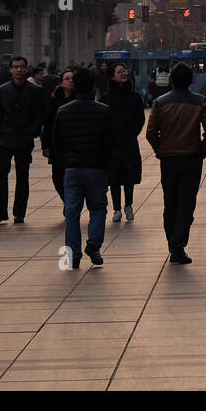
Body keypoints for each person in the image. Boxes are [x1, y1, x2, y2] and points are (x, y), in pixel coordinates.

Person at [145, 62, 206, 264]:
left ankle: (173, 243)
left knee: (170, 203)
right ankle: (178, 245)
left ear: (171, 80)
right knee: (186, 204)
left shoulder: (159, 102)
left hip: (168, 160)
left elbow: (150, 133)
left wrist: (160, 150)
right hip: (192, 158)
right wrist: (203, 149)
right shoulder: (201, 102)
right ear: (191, 80)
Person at [51, 66, 112, 269]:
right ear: (94, 86)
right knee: (98, 208)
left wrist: (65, 162)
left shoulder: (62, 111)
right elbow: (109, 143)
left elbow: (56, 143)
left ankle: (73, 256)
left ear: (75, 86)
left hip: (72, 169)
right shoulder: (103, 111)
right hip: (96, 168)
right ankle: (93, 245)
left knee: (72, 213)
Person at [0, 56, 45, 224]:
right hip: (5, 139)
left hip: (24, 140)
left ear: (27, 69)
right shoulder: (2, 90)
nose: (19, 70)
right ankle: (1, 212)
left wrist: (33, 132)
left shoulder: (35, 91)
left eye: (22, 67)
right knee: (1, 175)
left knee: (22, 176)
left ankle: (19, 212)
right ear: (10, 70)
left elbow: (40, 115)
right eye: (15, 67)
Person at [103, 63, 145, 222]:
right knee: (113, 177)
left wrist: (132, 133)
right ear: (112, 76)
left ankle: (128, 205)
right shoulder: (106, 99)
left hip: (129, 143)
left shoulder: (134, 97)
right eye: (119, 72)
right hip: (112, 145)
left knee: (129, 176)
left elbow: (140, 119)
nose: (124, 74)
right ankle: (116, 209)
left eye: (125, 71)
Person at [41, 68, 75, 209]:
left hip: (74, 144)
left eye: (72, 78)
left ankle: (72, 202)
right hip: (57, 144)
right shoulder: (54, 99)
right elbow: (47, 123)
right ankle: (66, 199)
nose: (70, 81)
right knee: (57, 175)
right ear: (61, 82)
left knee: (73, 175)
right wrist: (45, 145)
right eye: (67, 78)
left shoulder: (80, 98)